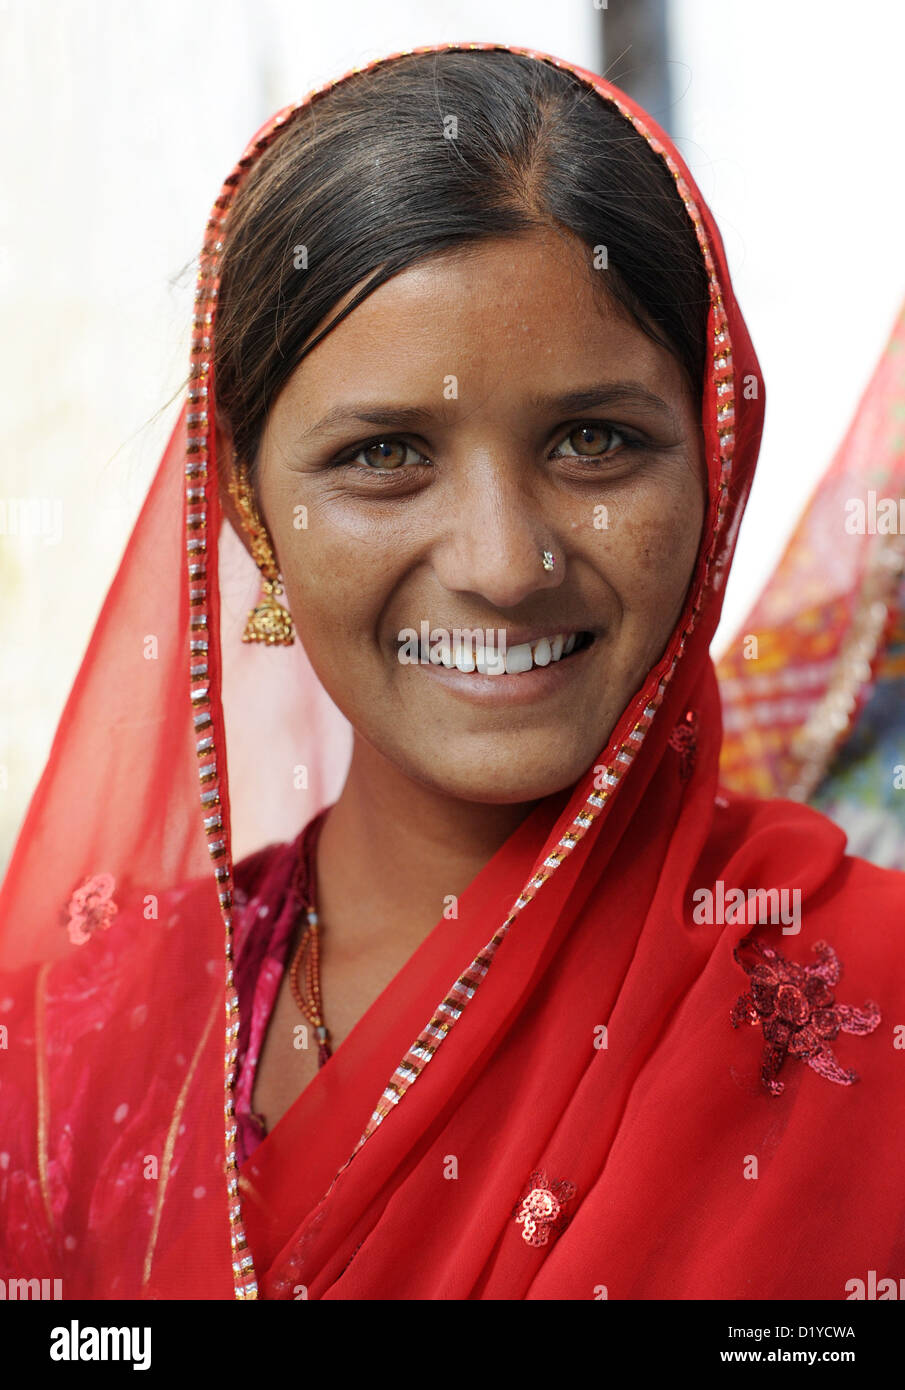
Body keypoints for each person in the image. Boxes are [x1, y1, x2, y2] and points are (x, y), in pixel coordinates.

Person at [1, 41, 903, 1302]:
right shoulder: (61, 1070)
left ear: (714, 460)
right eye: (383, 454)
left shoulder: (865, 996)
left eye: (594, 441)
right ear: (250, 511)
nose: (502, 562)